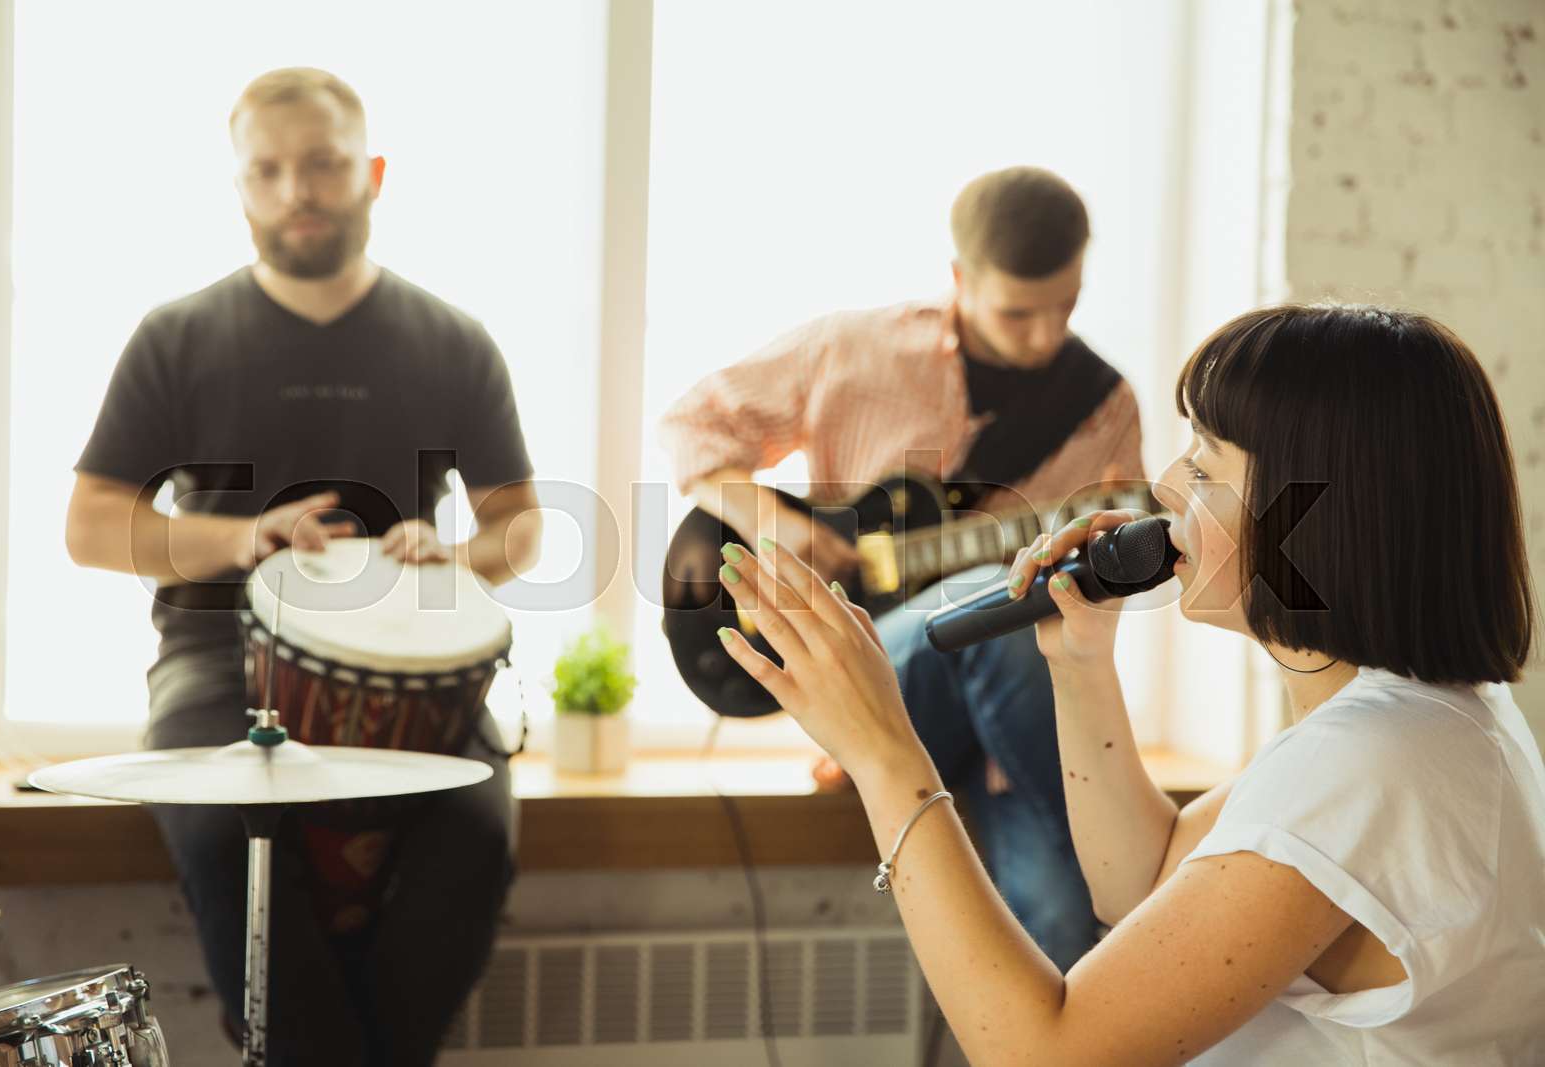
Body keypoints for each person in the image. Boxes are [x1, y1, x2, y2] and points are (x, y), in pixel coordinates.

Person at [712, 303, 1544, 1063]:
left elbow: (1045, 1052)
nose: (1167, 486)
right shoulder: (1411, 721)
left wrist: (887, 756)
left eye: (1208, 468)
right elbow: (1143, 885)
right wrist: (1078, 664)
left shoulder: (1372, 763)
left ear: (1314, 522)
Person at [65, 68, 542, 1066]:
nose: (298, 190)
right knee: (229, 831)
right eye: (268, 171)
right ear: (241, 190)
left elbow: (519, 527)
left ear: (370, 173)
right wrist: (243, 539)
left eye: (322, 164)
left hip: (418, 673)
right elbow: (94, 524)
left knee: (475, 834)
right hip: (215, 654)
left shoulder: (454, 341)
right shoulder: (176, 336)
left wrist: (452, 556)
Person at [659, 167, 1144, 968]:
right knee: (996, 609)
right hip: (872, 668)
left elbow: (1106, 580)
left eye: (1067, 304)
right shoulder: (853, 349)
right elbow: (692, 426)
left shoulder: (1104, 402)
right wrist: (771, 516)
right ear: (959, 280)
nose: (1045, 334)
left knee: (1061, 931)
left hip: (1012, 721)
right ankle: (1127, 839)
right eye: (1017, 312)